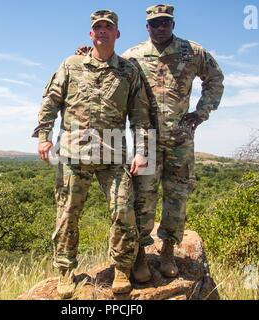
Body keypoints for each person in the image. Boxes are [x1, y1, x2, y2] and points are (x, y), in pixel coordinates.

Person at [32, 10, 151, 298]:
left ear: (116, 34)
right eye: (97, 28)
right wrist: (45, 136)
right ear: (90, 33)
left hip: (113, 156)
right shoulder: (71, 65)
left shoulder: (129, 71)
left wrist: (141, 152)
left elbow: (139, 116)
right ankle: (65, 271)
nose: (102, 32)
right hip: (74, 155)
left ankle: (122, 269)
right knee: (67, 215)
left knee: (123, 211)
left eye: (108, 28)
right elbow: (51, 102)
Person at [121, 4, 225, 278]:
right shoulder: (133, 56)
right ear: (147, 26)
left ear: (172, 23)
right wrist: (84, 54)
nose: (160, 27)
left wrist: (200, 114)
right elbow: (109, 74)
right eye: (155, 23)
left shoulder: (192, 52)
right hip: (146, 141)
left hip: (180, 139)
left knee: (177, 197)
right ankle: (141, 255)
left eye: (165, 21)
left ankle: (167, 251)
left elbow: (215, 79)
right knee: (142, 198)